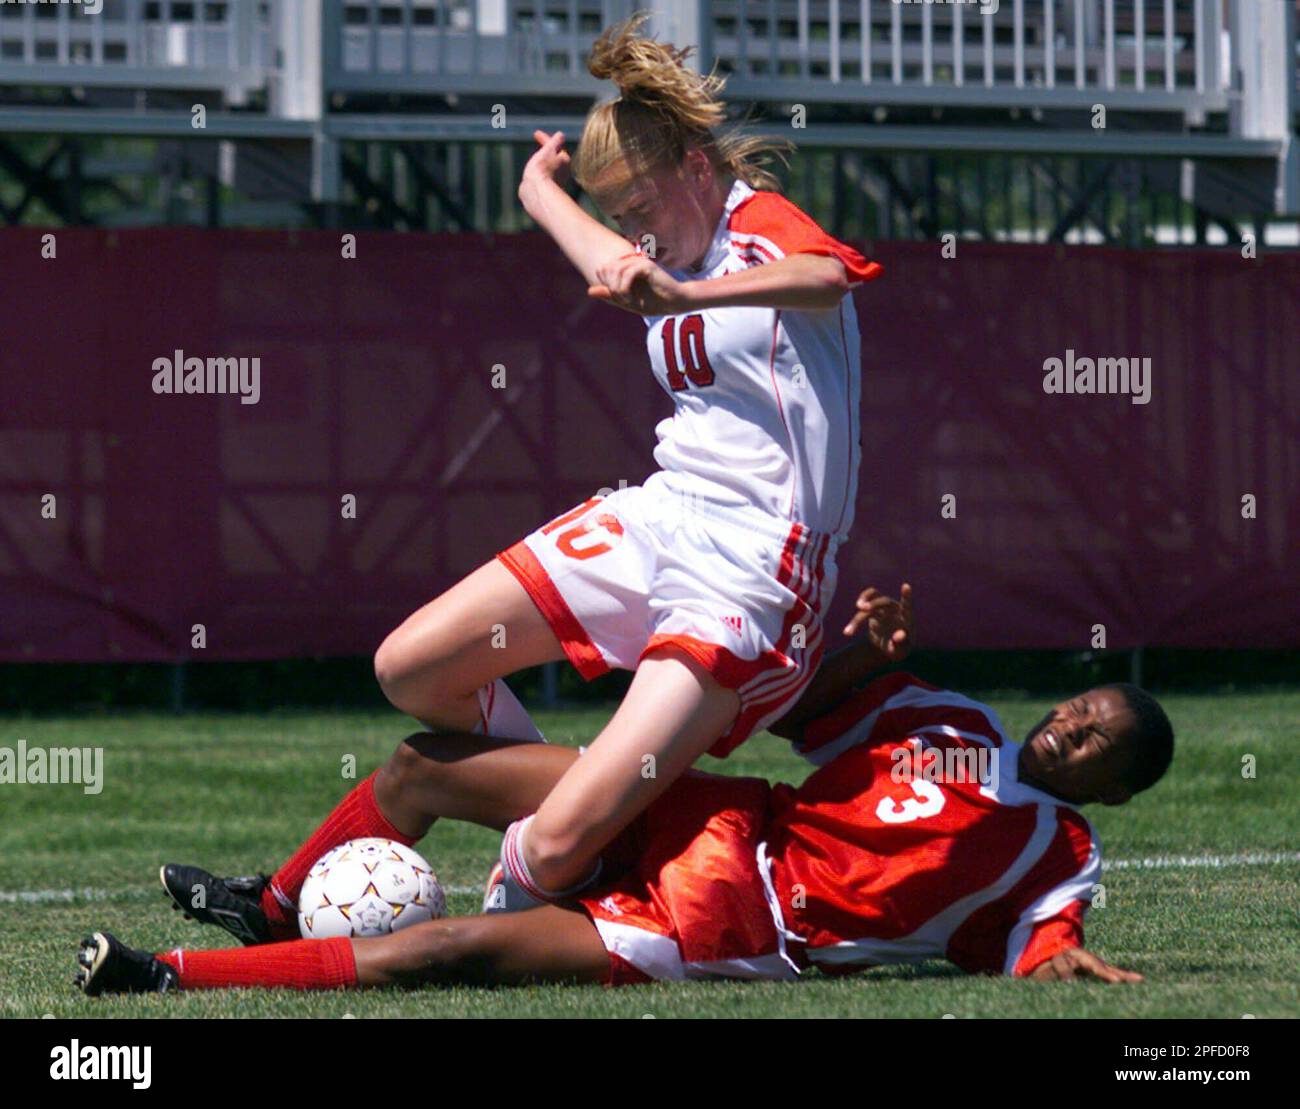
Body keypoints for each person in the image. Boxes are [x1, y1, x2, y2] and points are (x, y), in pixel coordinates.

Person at [328, 10, 886, 926]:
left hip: (757, 566)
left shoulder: (755, 228)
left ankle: (585, 822)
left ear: (697, 172)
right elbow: (618, 266)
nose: (636, 237)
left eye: (641, 211)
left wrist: (683, 291)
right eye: (620, 219)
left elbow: (830, 274)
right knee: (413, 668)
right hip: (663, 515)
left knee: (547, 850)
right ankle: (591, 791)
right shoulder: (666, 251)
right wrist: (544, 194)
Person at [76, 584, 1174, 995]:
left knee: (452, 949)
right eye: (1084, 708)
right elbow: (802, 716)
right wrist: (858, 652)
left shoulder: (1061, 853)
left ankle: (171, 973)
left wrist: (1058, 954)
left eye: (1097, 745)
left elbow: (1043, 939)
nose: (1073, 728)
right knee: (420, 763)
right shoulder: (953, 717)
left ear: (1110, 792)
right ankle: (272, 901)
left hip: (727, 922)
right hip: (709, 809)